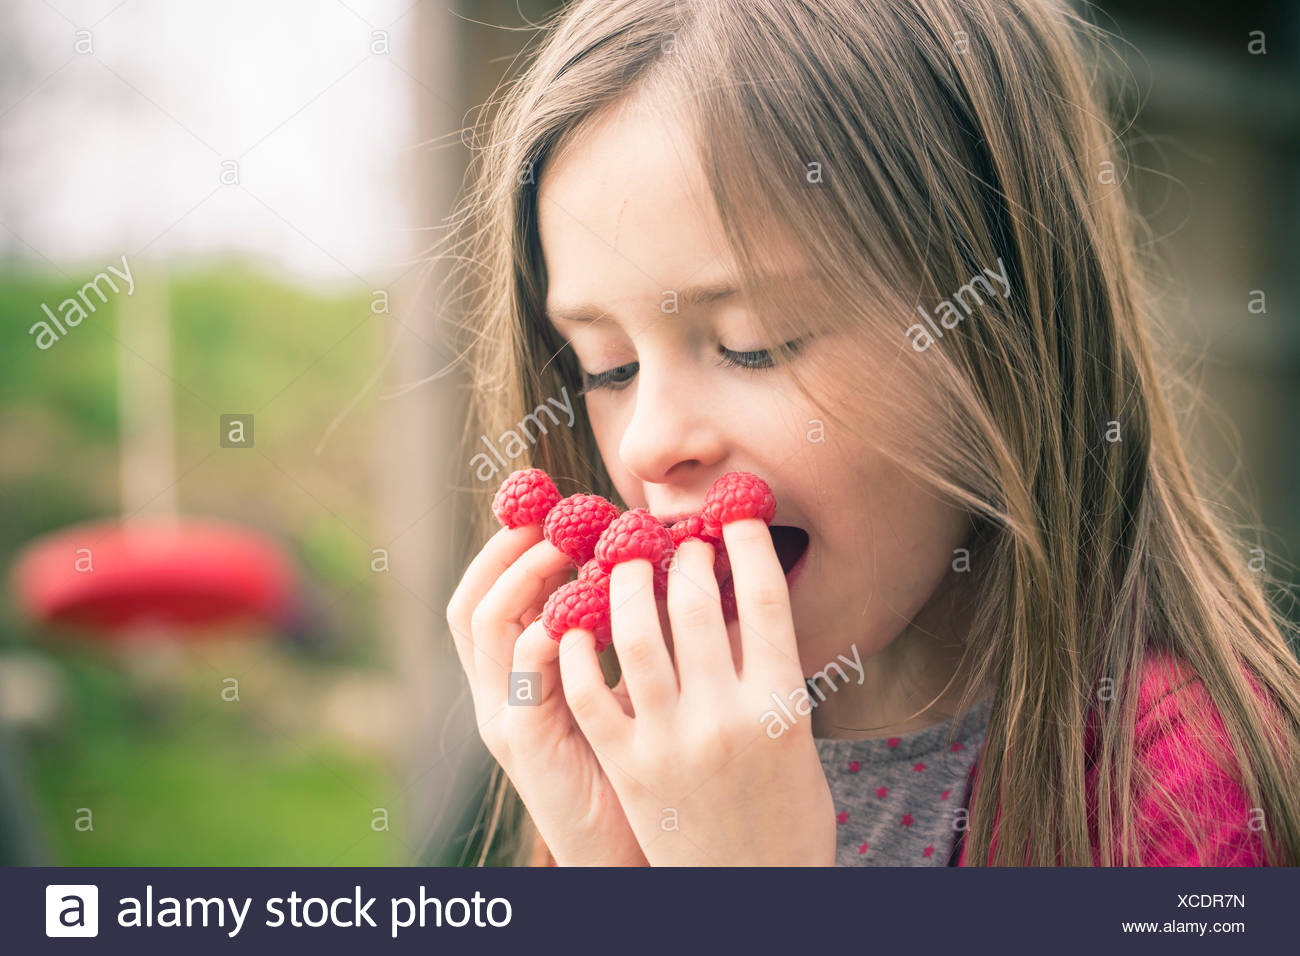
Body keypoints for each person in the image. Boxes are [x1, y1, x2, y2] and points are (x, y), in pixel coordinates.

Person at [442, 0, 1300, 866]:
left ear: (992, 331)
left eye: (753, 346)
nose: (646, 443)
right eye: (607, 368)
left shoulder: (1183, 796)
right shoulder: (639, 755)